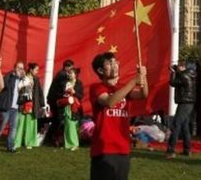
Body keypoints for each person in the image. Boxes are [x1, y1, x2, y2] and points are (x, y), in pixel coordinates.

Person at [89, 51, 148, 179]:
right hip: (104, 148)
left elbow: (143, 95)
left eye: (115, 62)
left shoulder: (122, 88)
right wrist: (134, 81)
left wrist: (143, 76)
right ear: (100, 70)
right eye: (110, 63)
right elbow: (110, 102)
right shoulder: (96, 87)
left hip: (123, 148)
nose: (115, 65)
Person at [0, 61, 25, 152]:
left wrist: (24, 78)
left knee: (13, 127)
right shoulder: (9, 76)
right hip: (5, 106)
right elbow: (4, 85)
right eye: (18, 67)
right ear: (14, 68)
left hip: (15, 107)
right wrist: (13, 74)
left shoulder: (22, 80)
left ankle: (10, 146)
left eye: (22, 68)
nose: (20, 70)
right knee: (1, 126)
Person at [166, 62, 196, 157]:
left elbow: (173, 83)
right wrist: (176, 71)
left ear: (182, 67)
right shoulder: (190, 74)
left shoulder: (183, 76)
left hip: (184, 103)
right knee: (184, 127)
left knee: (176, 125)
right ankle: (187, 149)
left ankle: (171, 150)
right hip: (189, 103)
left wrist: (173, 73)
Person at [14, 63, 45, 150]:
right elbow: (19, 89)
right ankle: (17, 142)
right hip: (23, 104)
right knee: (20, 123)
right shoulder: (23, 78)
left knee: (31, 124)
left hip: (33, 105)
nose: (37, 72)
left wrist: (42, 104)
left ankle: (29, 142)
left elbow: (40, 91)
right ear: (31, 70)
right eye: (36, 70)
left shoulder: (36, 79)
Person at [46, 59, 76, 145]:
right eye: (71, 68)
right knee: (58, 120)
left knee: (56, 120)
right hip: (56, 100)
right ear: (67, 67)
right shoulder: (62, 75)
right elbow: (64, 88)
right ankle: (51, 139)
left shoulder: (61, 74)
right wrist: (71, 85)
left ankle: (51, 138)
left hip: (54, 99)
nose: (71, 71)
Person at [58, 67, 83, 151]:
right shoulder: (65, 83)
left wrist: (74, 92)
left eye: (71, 73)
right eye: (68, 73)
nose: (69, 75)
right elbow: (60, 94)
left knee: (73, 125)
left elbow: (81, 96)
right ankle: (68, 144)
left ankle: (74, 144)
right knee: (68, 125)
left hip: (75, 107)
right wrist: (65, 94)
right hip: (66, 106)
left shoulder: (79, 83)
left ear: (75, 75)